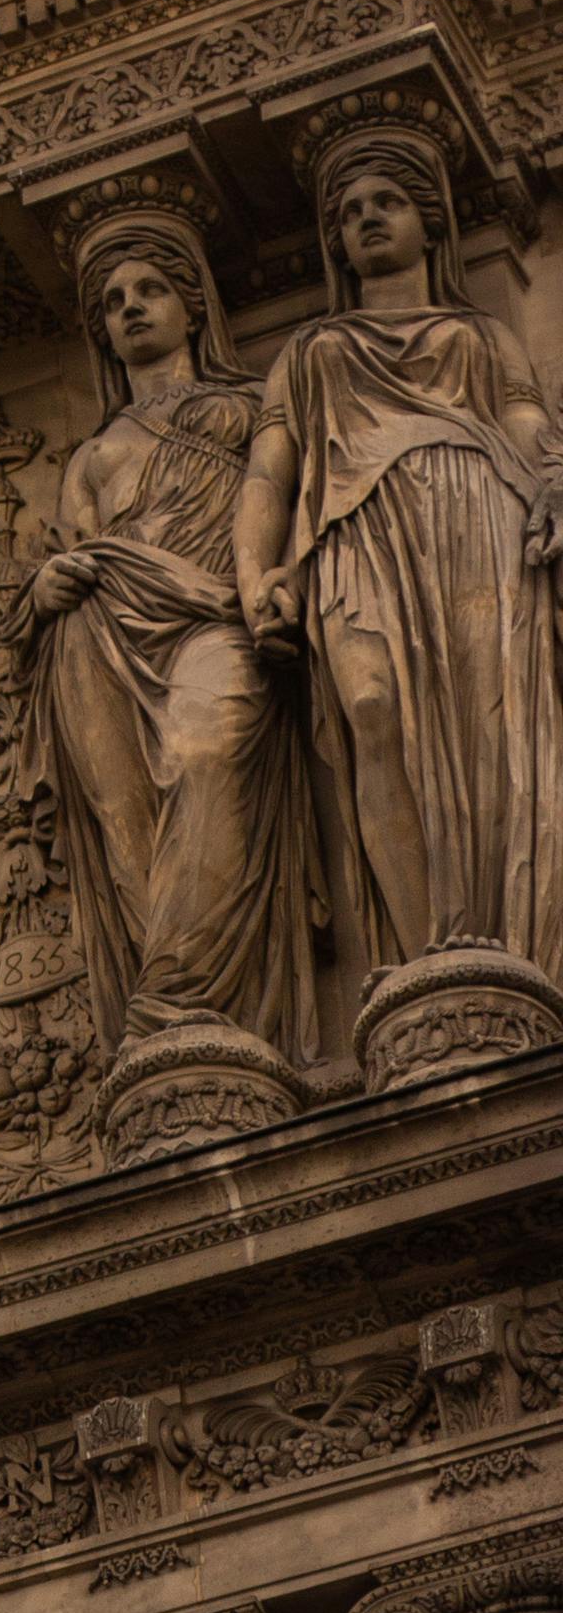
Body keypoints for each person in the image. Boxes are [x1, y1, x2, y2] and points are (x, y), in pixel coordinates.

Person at [235, 119, 563, 978]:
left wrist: (556, 484)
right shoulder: (311, 351)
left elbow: (526, 424)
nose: (366, 219)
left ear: (431, 221)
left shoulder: (481, 335)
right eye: (349, 212)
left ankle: (497, 940)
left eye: (387, 203)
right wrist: (254, 578)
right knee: (371, 710)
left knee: (484, 724)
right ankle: (425, 952)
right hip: (354, 534)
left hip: (474, 515)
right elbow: (269, 474)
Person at [25, 214, 321, 1064]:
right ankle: (160, 993)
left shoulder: (248, 406)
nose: (131, 310)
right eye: (114, 303)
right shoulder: (92, 454)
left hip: (215, 618)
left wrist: (281, 583)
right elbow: (70, 549)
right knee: (127, 828)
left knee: (205, 751)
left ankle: (186, 993)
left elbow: (297, 506)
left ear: (192, 307)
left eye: (150, 290)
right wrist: (46, 589)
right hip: (101, 632)